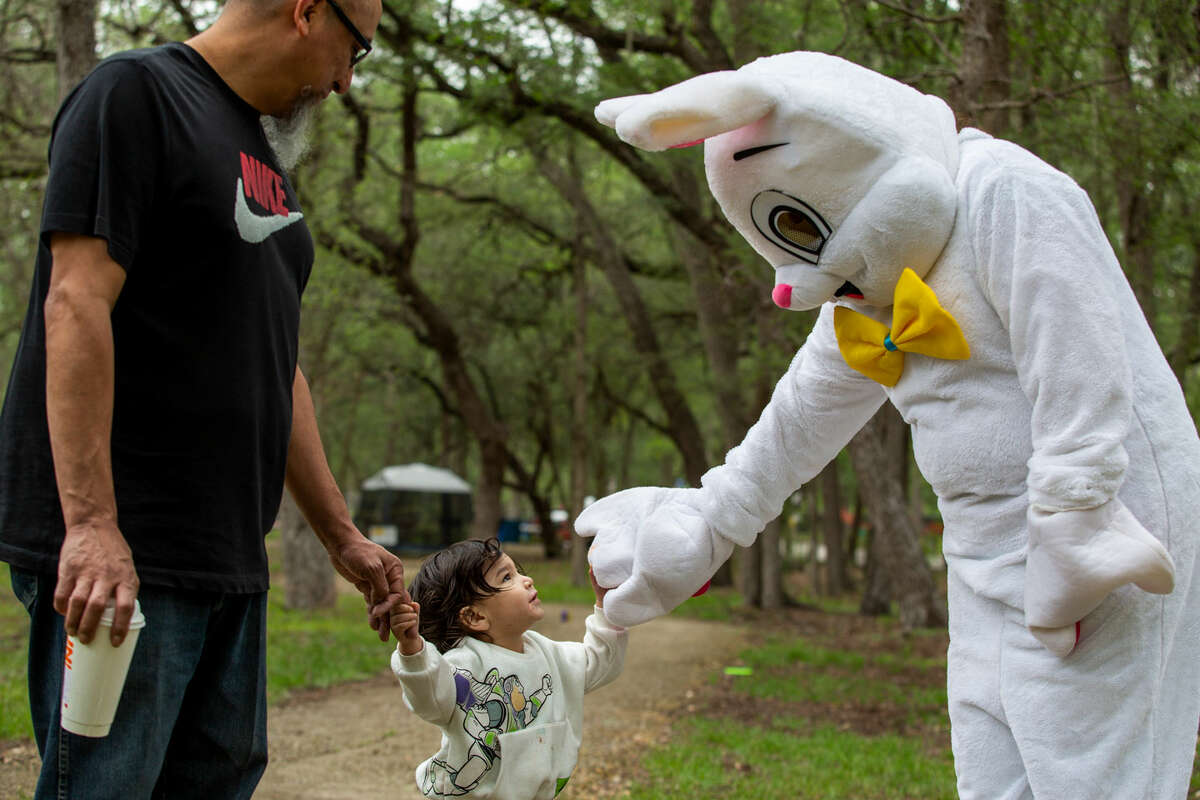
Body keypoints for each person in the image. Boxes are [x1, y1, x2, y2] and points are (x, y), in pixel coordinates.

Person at [580, 51, 1200, 799]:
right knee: (992, 758)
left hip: (1104, 527)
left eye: (800, 232)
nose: (795, 290)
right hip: (979, 555)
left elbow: (1082, 355)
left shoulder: (1006, 193)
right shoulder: (864, 294)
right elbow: (801, 416)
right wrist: (710, 522)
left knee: (1090, 767)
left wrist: (1076, 514)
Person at [0, 1, 406, 797]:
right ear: (305, 11)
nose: (346, 81)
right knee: (107, 785)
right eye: (353, 50)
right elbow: (74, 304)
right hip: (130, 554)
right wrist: (89, 527)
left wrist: (342, 536)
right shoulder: (135, 95)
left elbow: (274, 366)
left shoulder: (264, 156)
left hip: (228, 554)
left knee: (220, 779)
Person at [390, 538, 627, 799]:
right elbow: (430, 696)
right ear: (475, 617)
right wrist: (413, 650)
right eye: (506, 578)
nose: (526, 580)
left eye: (518, 572)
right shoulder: (465, 666)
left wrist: (607, 607)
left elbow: (599, 661)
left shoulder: (547, 653)